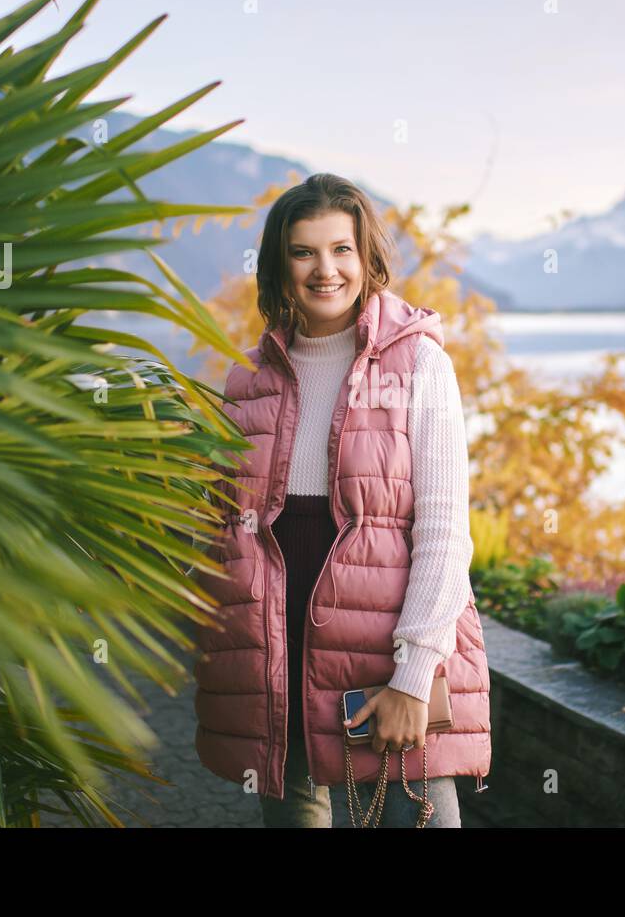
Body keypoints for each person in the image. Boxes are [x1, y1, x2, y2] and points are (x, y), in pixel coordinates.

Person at [191, 173, 492, 827]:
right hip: (276, 668)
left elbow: (443, 533)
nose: (324, 269)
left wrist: (413, 680)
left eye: (341, 250)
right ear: (279, 264)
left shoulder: (418, 363)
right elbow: (224, 525)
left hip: (380, 668)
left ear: (366, 258)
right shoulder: (247, 377)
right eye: (303, 252)